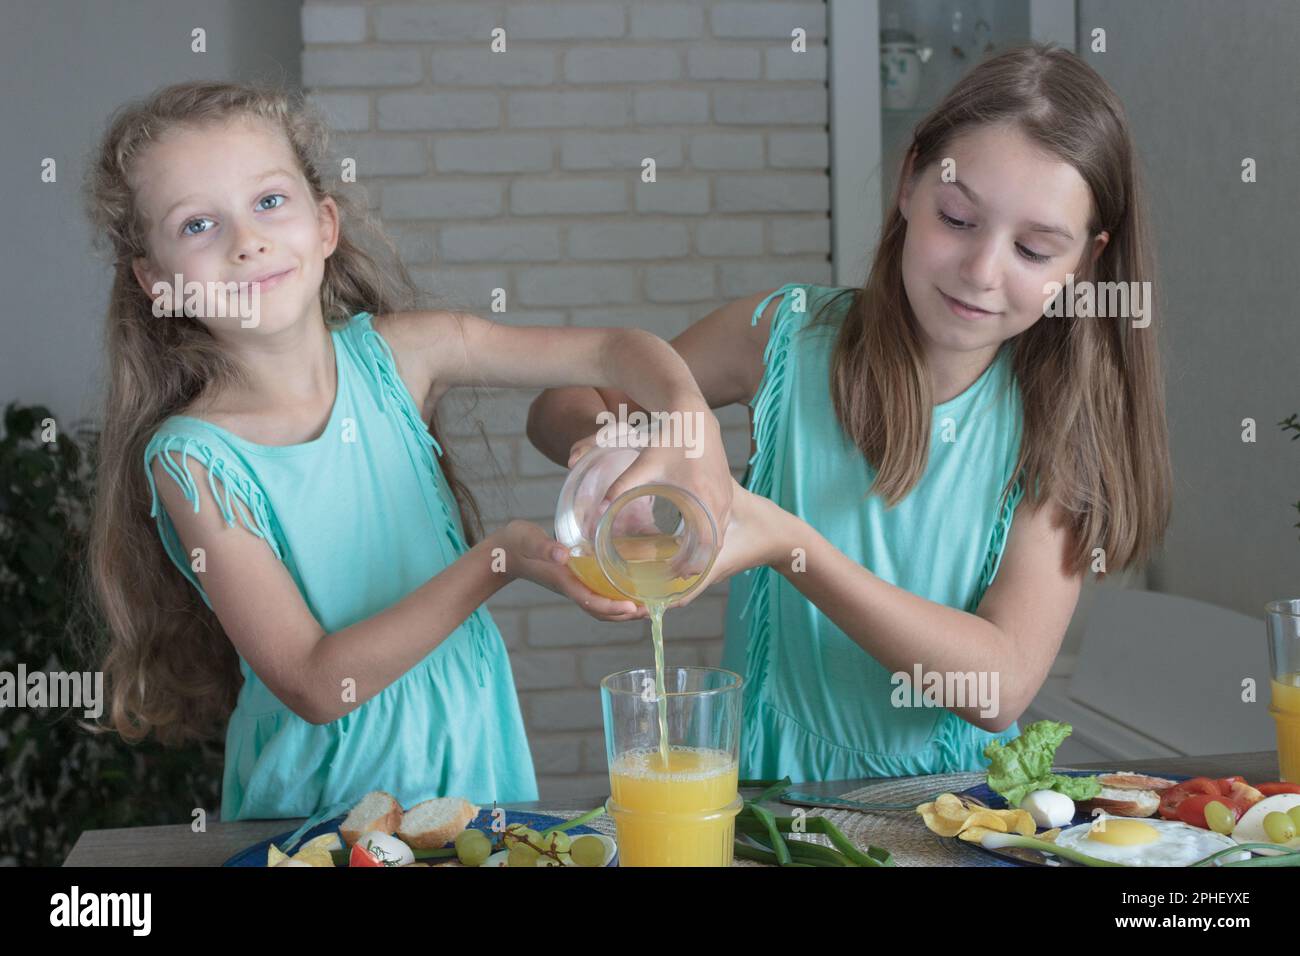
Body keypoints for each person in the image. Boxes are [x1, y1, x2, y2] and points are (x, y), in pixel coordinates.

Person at [80, 80, 733, 822]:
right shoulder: (193, 459)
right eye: (198, 224)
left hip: (476, 770)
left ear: (325, 224)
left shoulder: (406, 354)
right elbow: (316, 685)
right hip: (318, 812)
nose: (246, 240)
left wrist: (689, 422)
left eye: (268, 202)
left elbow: (617, 352)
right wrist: (503, 558)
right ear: (155, 280)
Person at [529, 44, 1173, 783]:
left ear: (1085, 263)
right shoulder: (783, 337)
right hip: (762, 794)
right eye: (958, 219)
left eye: (1032, 249)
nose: (983, 270)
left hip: (949, 812)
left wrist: (789, 545)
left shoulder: (1061, 423)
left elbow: (999, 687)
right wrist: (610, 447)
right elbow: (557, 408)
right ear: (909, 182)